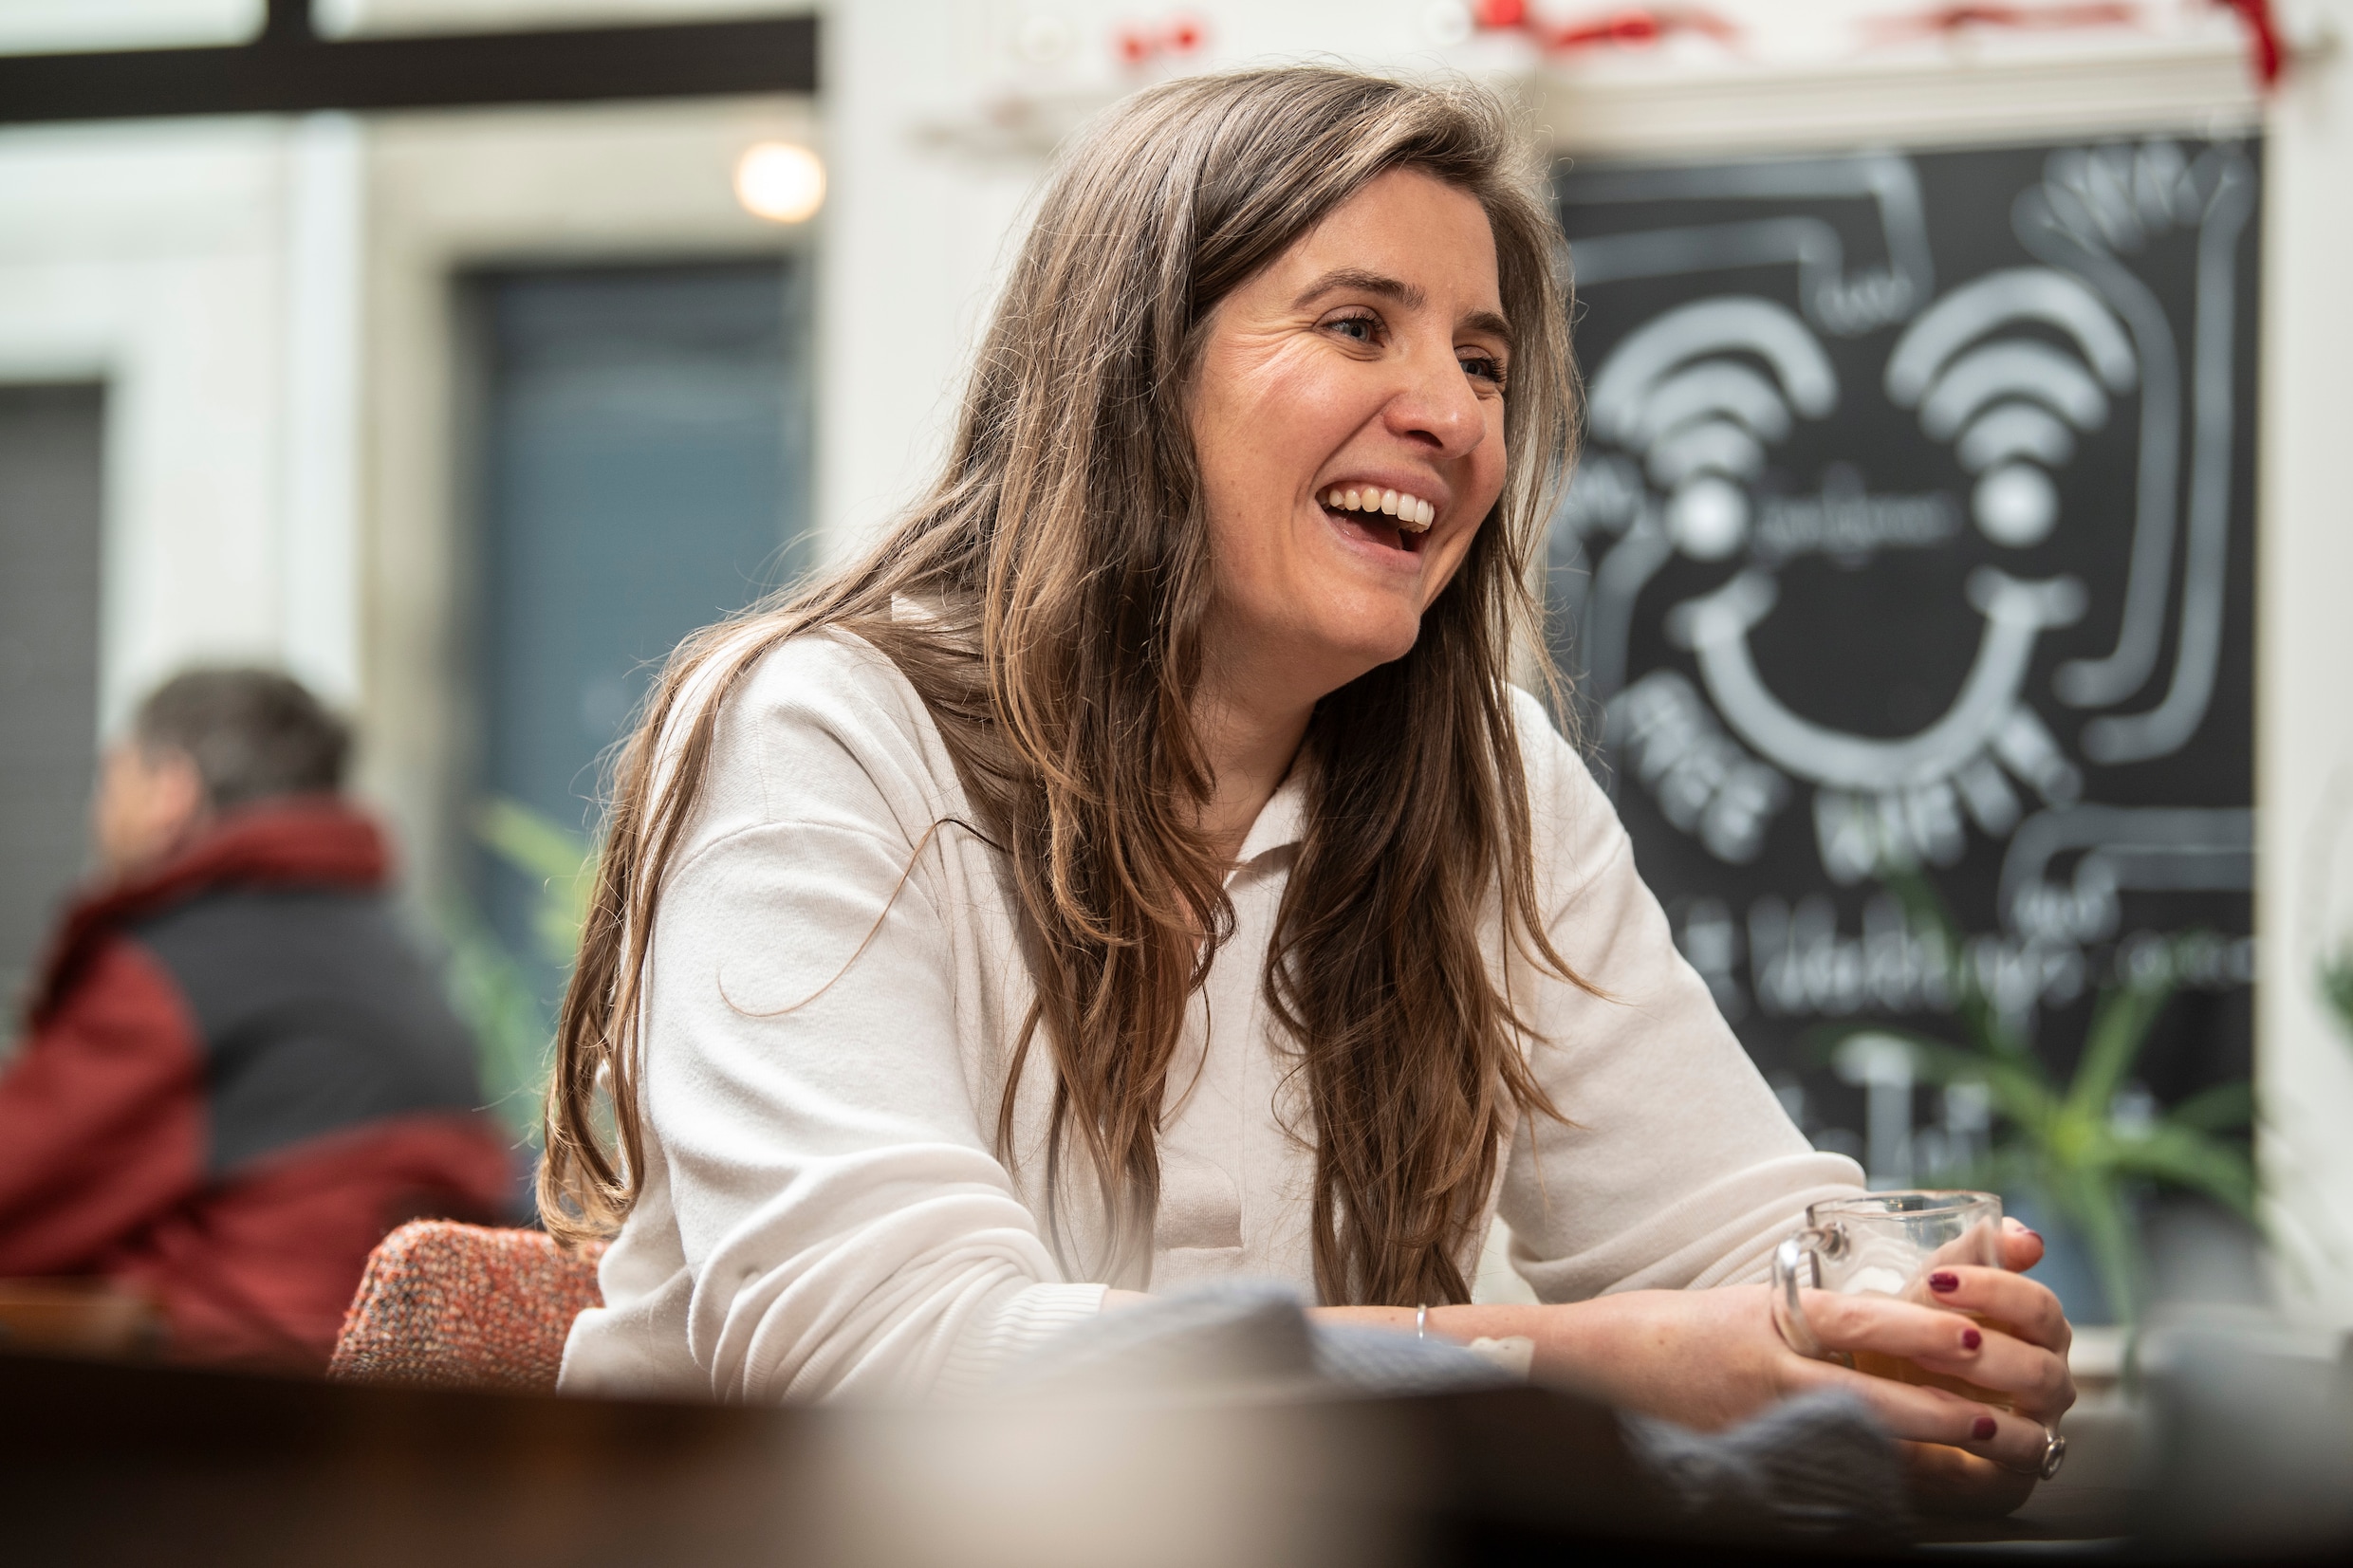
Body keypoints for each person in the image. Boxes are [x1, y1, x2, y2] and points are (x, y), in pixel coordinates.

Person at [545, 68, 2075, 1511]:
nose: (1459, 417)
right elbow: (903, 1367)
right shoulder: (819, 736)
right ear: (1134, 375)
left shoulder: (1491, 790)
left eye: (1483, 361)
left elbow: (1736, 1237)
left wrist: (1914, 1336)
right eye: (1359, 327)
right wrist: (1580, 1359)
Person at [0, 668, 512, 1369]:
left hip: (229, 1419)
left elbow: (20, 1186)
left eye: (112, 778)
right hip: (404, 1415)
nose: (98, 810)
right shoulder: (400, 953)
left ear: (169, 791)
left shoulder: (177, 968)